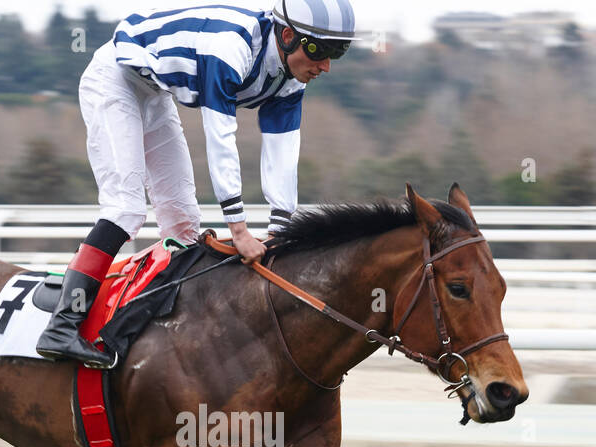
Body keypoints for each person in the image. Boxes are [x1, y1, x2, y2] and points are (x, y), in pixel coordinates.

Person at [36, 0, 357, 368]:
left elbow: (283, 154)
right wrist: (238, 230)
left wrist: (278, 233)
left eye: (339, 53)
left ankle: (170, 330)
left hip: (155, 92)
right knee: (126, 208)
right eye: (323, 51)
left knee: (183, 223)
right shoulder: (230, 49)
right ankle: (62, 325)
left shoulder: (290, 78)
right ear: (287, 36)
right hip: (114, 78)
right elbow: (221, 138)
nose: (326, 66)